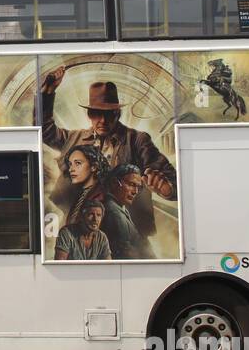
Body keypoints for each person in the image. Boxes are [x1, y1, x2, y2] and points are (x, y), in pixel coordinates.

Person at [40, 68, 176, 238]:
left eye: (109, 114)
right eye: (97, 113)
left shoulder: (137, 140)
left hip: (126, 234)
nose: (103, 120)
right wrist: (47, 93)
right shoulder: (75, 138)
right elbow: (45, 131)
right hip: (81, 230)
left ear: (118, 113)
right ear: (90, 114)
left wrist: (166, 188)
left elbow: (170, 180)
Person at [108, 163, 155, 259]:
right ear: (114, 183)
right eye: (131, 184)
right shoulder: (114, 213)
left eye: (138, 187)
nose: (135, 191)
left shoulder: (119, 208)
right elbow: (126, 254)